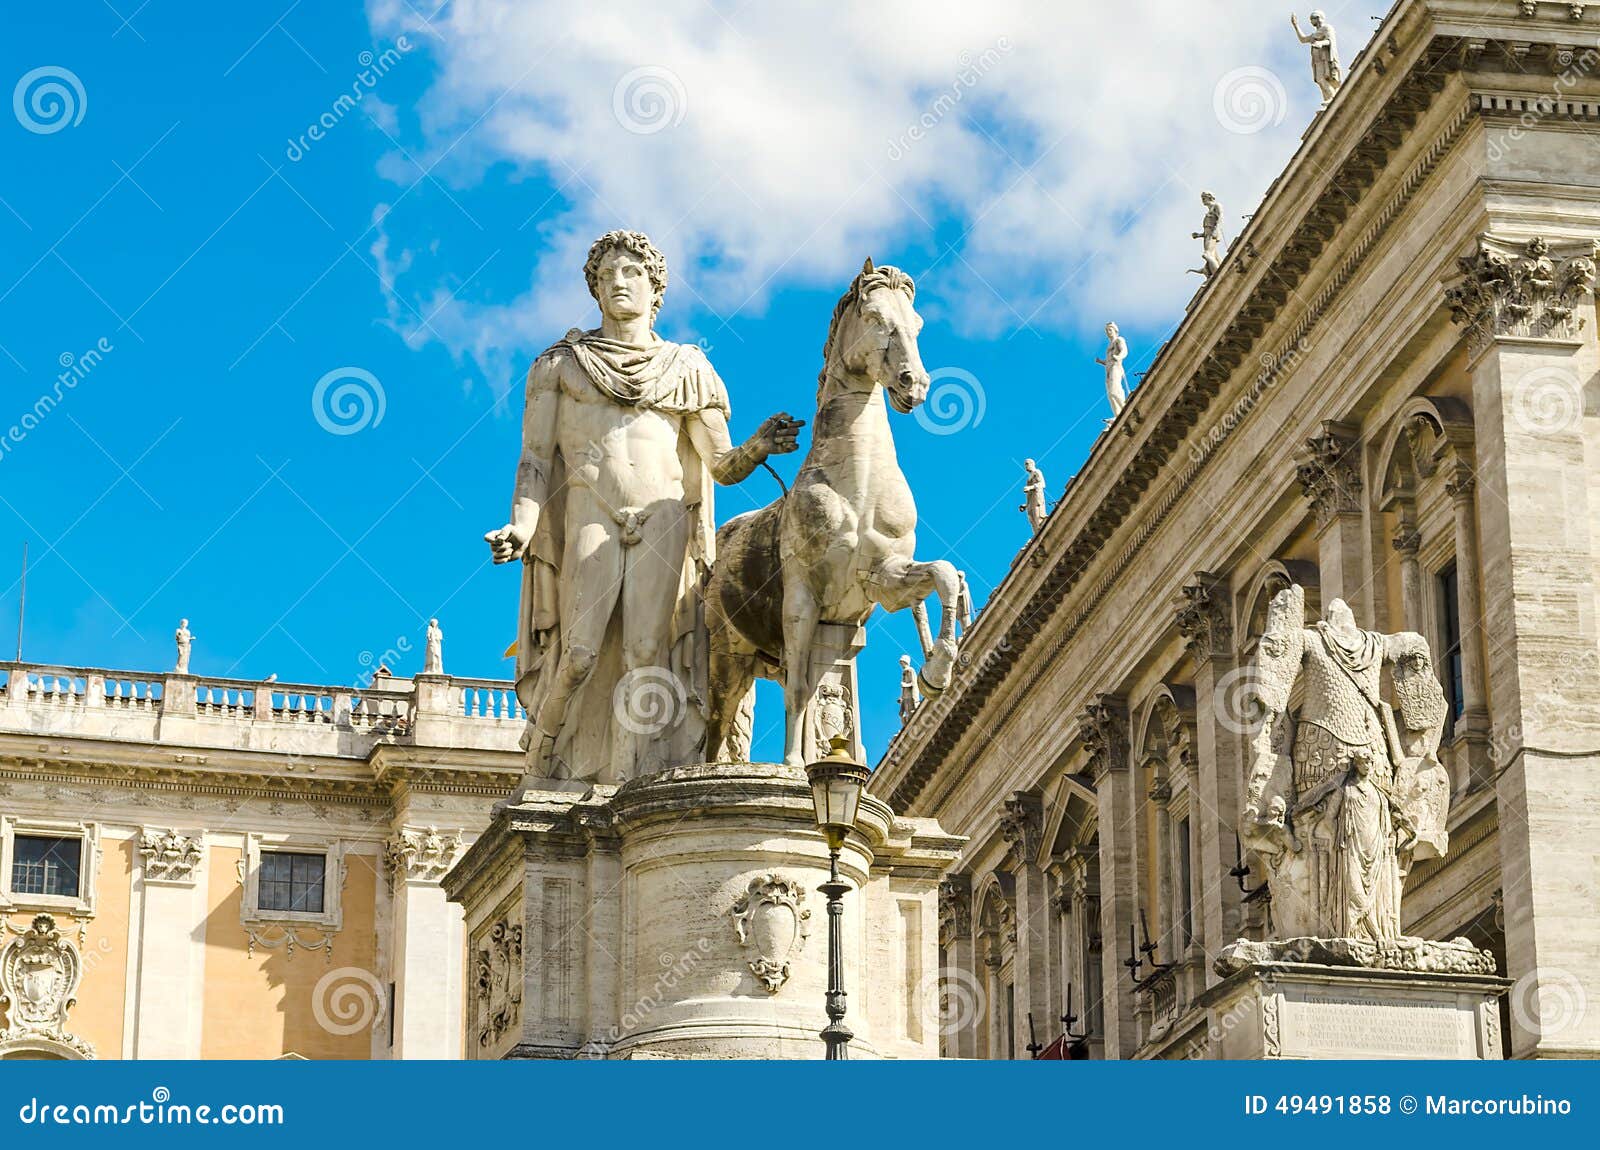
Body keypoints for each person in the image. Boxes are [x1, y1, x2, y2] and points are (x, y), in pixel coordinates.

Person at [486, 230, 803, 783]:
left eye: (630, 273)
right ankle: (542, 758)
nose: (617, 283)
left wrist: (758, 446)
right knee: (580, 652)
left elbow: (721, 465)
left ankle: (627, 783)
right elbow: (534, 460)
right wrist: (523, 524)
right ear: (595, 291)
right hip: (592, 511)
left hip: (664, 517)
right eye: (606, 276)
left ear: (656, 288)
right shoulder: (560, 365)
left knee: (645, 654)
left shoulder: (687, 367)